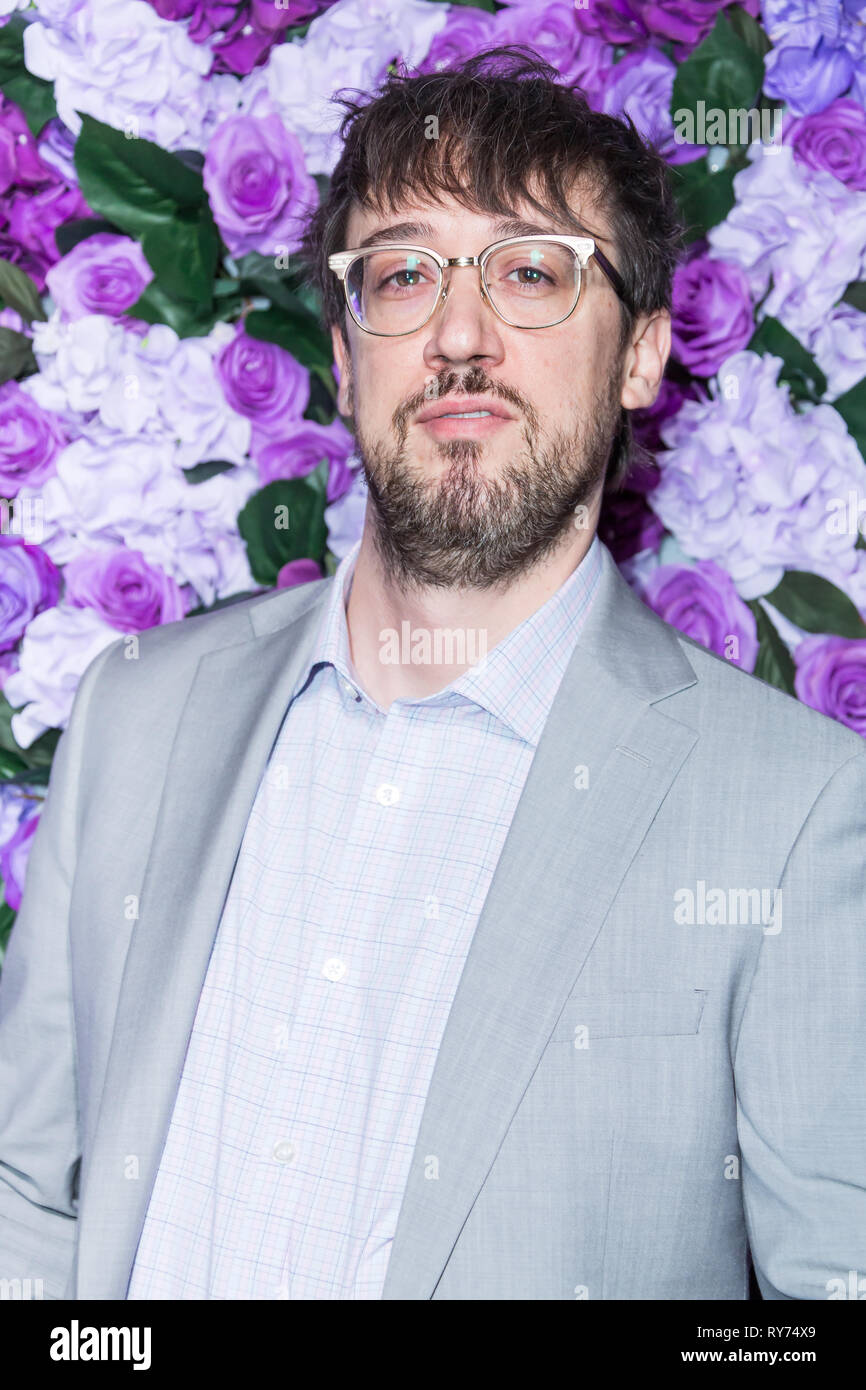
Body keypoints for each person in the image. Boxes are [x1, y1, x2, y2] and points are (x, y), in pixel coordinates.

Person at [1, 47, 864, 1302]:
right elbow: (30, 1190)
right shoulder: (136, 710)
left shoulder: (797, 814)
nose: (459, 334)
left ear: (639, 355)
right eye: (401, 275)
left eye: (530, 273)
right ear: (346, 360)